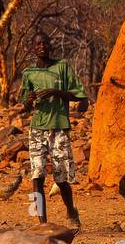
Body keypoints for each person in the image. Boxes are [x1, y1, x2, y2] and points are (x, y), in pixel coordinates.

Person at [20, 30, 89, 227]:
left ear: (51, 46)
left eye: (45, 43)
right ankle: (41, 223)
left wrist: (55, 92)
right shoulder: (29, 73)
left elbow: (79, 96)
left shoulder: (62, 67)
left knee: (60, 177)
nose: (42, 46)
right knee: (37, 175)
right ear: (33, 49)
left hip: (59, 127)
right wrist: (28, 101)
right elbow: (25, 104)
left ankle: (71, 211)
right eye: (38, 44)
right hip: (37, 128)